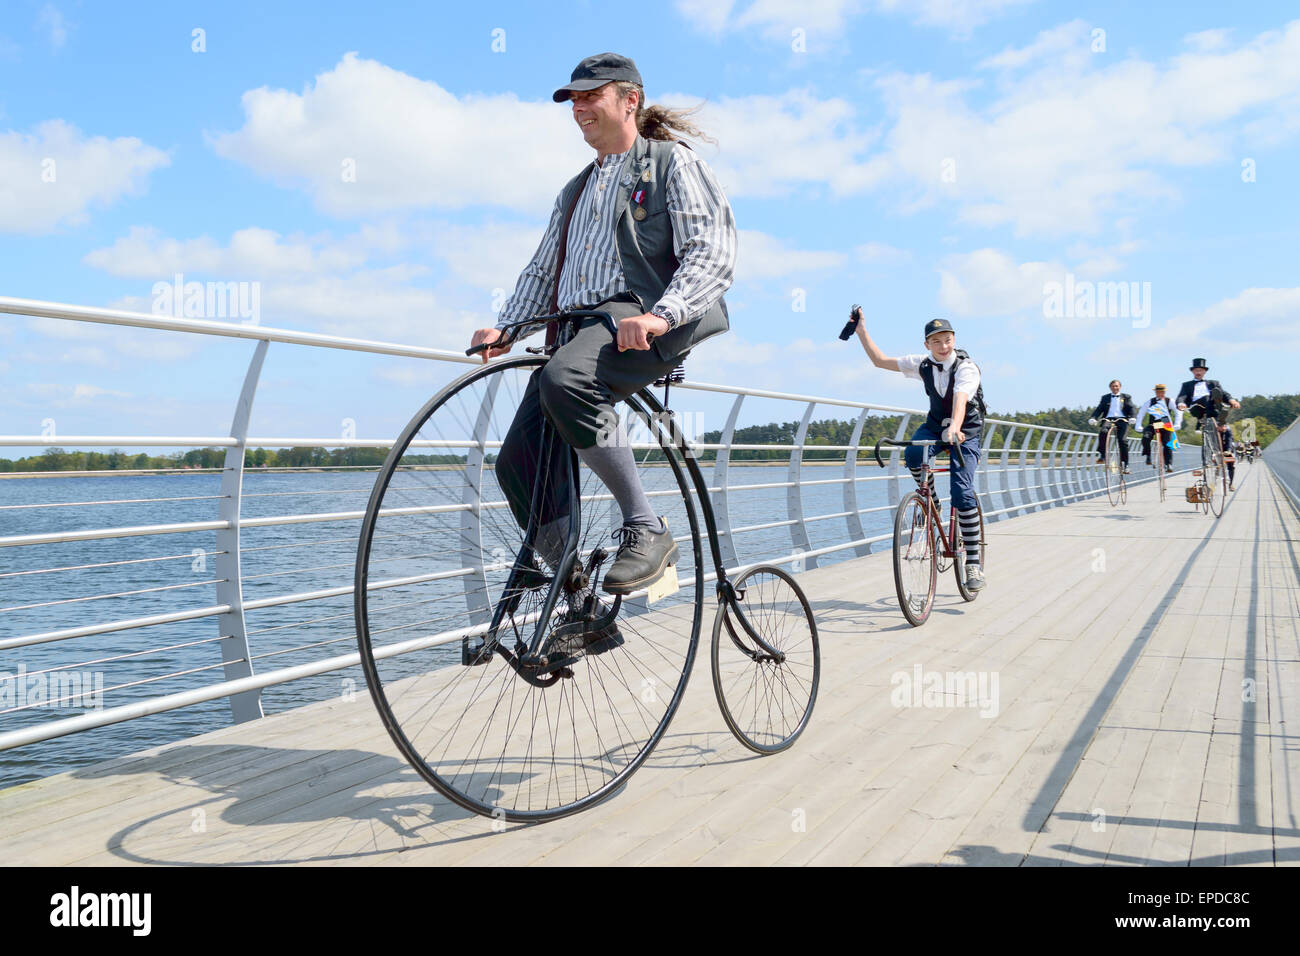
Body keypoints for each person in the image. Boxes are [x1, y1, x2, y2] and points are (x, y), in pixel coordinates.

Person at [469, 54, 737, 634]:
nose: (580, 108)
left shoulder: (670, 163)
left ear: (629, 100)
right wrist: (507, 328)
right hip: (576, 330)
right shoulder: (575, 190)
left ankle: (645, 525)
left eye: (592, 96)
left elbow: (711, 252)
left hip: (641, 316)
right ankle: (583, 605)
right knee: (517, 462)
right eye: (573, 100)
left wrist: (663, 315)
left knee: (565, 380)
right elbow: (543, 271)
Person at [853, 316, 986, 592]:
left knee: (962, 492)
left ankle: (973, 563)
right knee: (913, 455)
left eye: (947, 339)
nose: (943, 346)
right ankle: (932, 503)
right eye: (936, 341)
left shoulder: (967, 368)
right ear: (927, 344)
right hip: (936, 426)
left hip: (966, 432)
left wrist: (956, 429)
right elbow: (880, 361)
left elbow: (960, 400)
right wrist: (861, 331)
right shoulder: (923, 364)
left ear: (954, 340)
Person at [1175, 358, 1241, 491]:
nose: (1198, 372)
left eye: (1200, 370)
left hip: (1213, 409)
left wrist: (1232, 400)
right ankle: (1218, 419)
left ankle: (1221, 423)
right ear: (1193, 371)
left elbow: (1225, 394)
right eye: (1196, 370)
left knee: (1217, 400)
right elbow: (1181, 397)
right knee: (1207, 398)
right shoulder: (1187, 385)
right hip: (1197, 408)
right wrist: (1181, 404)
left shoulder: (1213, 383)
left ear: (1204, 372)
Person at [1088, 380, 1136, 473]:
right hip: (1108, 419)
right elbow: (1099, 409)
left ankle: (1126, 464)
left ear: (1120, 387)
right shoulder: (1105, 398)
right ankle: (1102, 455)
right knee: (1103, 432)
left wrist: (1133, 417)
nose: (1115, 388)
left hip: (1122, 420)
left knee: (1122, 440)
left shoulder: (1126, 397)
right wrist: (1093, 418)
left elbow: (1132, 408)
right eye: (1113, 386)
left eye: (1117, 386)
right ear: (1110, 387)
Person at [1133, 384, 1181, 472]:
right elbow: (1141, 413)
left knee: (1167, 443)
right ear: (1155, 392)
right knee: (1146, 437)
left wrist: (1177, 423)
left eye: (1162, 392)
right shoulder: (1150, 402)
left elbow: (1177, 412)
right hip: (1153, 424)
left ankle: (1168, 464)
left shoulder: (1169, 401)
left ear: (1165, 392)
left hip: (1165, 424)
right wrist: (1138, 425)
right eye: (1158, 392)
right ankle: (1148, 455)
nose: (1160, 393)